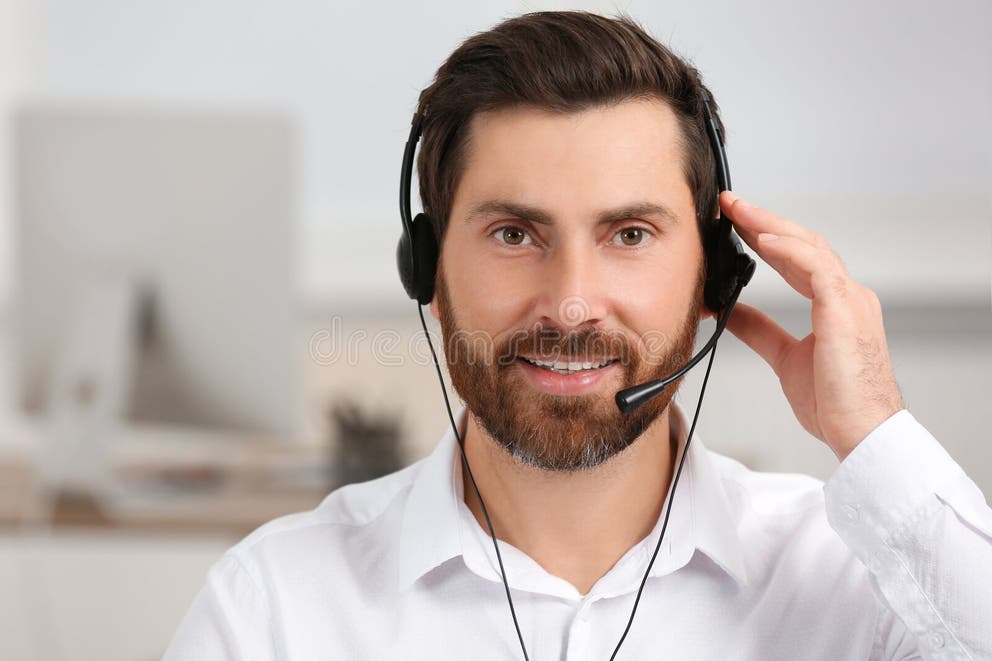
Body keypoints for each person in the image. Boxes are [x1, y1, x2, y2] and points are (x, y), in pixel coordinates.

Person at [163, 11, 991, 660]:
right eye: (514, 234)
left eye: (629, 234)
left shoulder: (860, 580)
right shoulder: (275, 605)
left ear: (713, 276)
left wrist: (874, 429)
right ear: (429, 271)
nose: (569, 305)